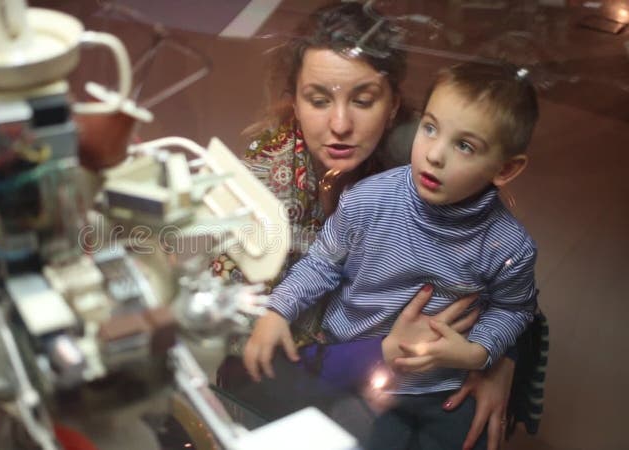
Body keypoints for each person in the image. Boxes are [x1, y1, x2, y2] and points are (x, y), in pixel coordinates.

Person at [210, 3, 547, 450]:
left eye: (364, 100)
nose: (340, 125)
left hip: (438, 382)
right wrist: (382, 351)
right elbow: (244, 373)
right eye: (318, 99)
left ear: (393, 105)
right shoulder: (257, 198)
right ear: (293, 99)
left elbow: (508, 292)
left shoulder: (436, 164)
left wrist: (492, 360)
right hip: (330, 376)